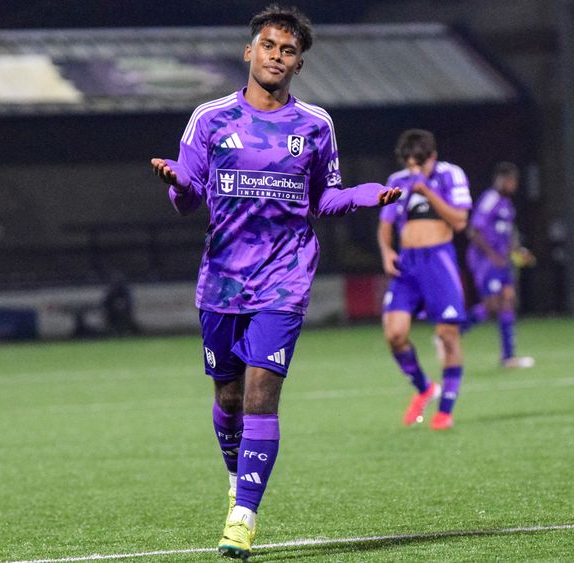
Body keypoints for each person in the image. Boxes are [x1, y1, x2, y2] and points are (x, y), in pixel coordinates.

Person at [149, 5, 401, 559]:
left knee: (262, 395)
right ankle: (237, 479)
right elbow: (188, 199)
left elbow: (324, 199)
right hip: (221, 279)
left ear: (298, 64)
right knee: (229, 395)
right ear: (250, 52)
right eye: (269, 46)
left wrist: (364, 195)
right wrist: (178, 183)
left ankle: (243, 515)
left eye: (287, 51)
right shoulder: (210, 118)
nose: (276, 57)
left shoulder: (315, 125)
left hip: (285, 276)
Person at [378, 129, 472, 431]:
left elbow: (459, 221)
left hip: (438, 261)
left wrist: (427, 190)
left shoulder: (450, 175)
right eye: (410, 165)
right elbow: (386, 222)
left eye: (421, 164)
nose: (414, 170)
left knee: (447, 334)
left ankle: (445, 411)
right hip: (408, 264)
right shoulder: (397, 180)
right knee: (394, 334)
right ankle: (425, 388)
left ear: (433, 156)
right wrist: (386, 250)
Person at [466, 161, 536, 368]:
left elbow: (506, 235)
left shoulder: (506, 204)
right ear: (504, 180)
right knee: (491, 305)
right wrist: (491, 255)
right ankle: (451, 333)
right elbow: (474, 231)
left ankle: (508, 357)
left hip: (502, 260)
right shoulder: (490, 199)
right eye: (513, 181)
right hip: (486, 261)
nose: (515, 185)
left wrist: (518, 251)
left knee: (507, 300)